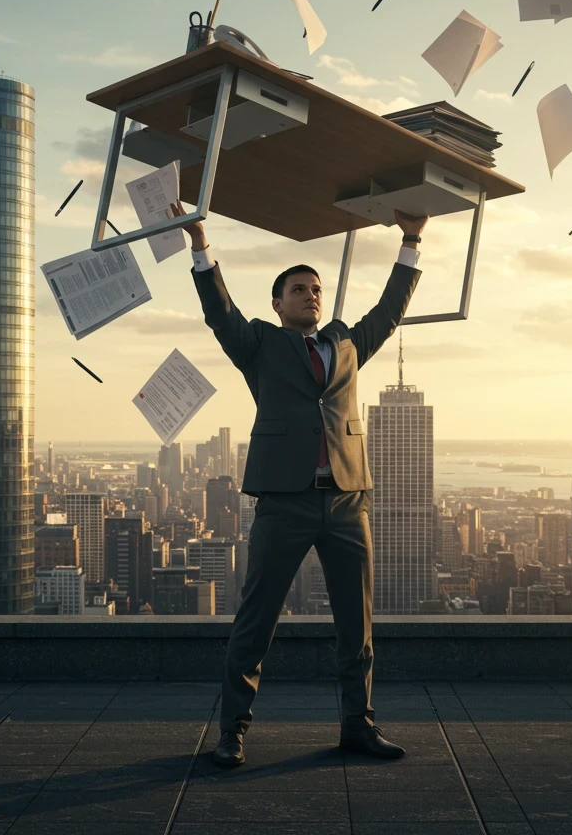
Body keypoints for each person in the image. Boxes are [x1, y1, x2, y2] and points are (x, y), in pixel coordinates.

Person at [169, 199, 428, 769]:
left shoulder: (348, 345)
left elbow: (388, 310)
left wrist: (411, 242)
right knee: (256, 619)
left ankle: (358, 727)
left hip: (346, 500)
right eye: (298, 290)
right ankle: (232, 732)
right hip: (284, 502)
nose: (311, 295)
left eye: (316, 288)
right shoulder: (259, 345)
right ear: (278, 304)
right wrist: (199, 246)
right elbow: (220, 314)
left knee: (356, 625)